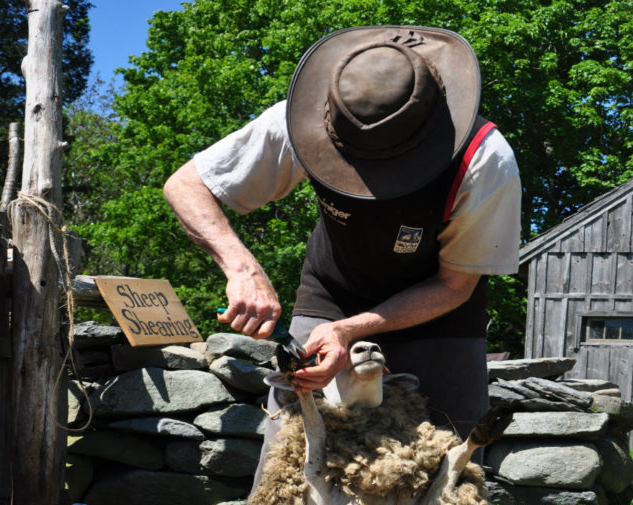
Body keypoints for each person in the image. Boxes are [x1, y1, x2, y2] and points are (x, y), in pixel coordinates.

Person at [163, 26, 521, 475]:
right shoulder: (300, 119)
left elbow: (455, 284)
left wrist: (348, 332)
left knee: (448, 479)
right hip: (331, 295)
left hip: (442, 310)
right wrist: (242, 269)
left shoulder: (485, 161)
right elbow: (187, 185)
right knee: (290, 468)